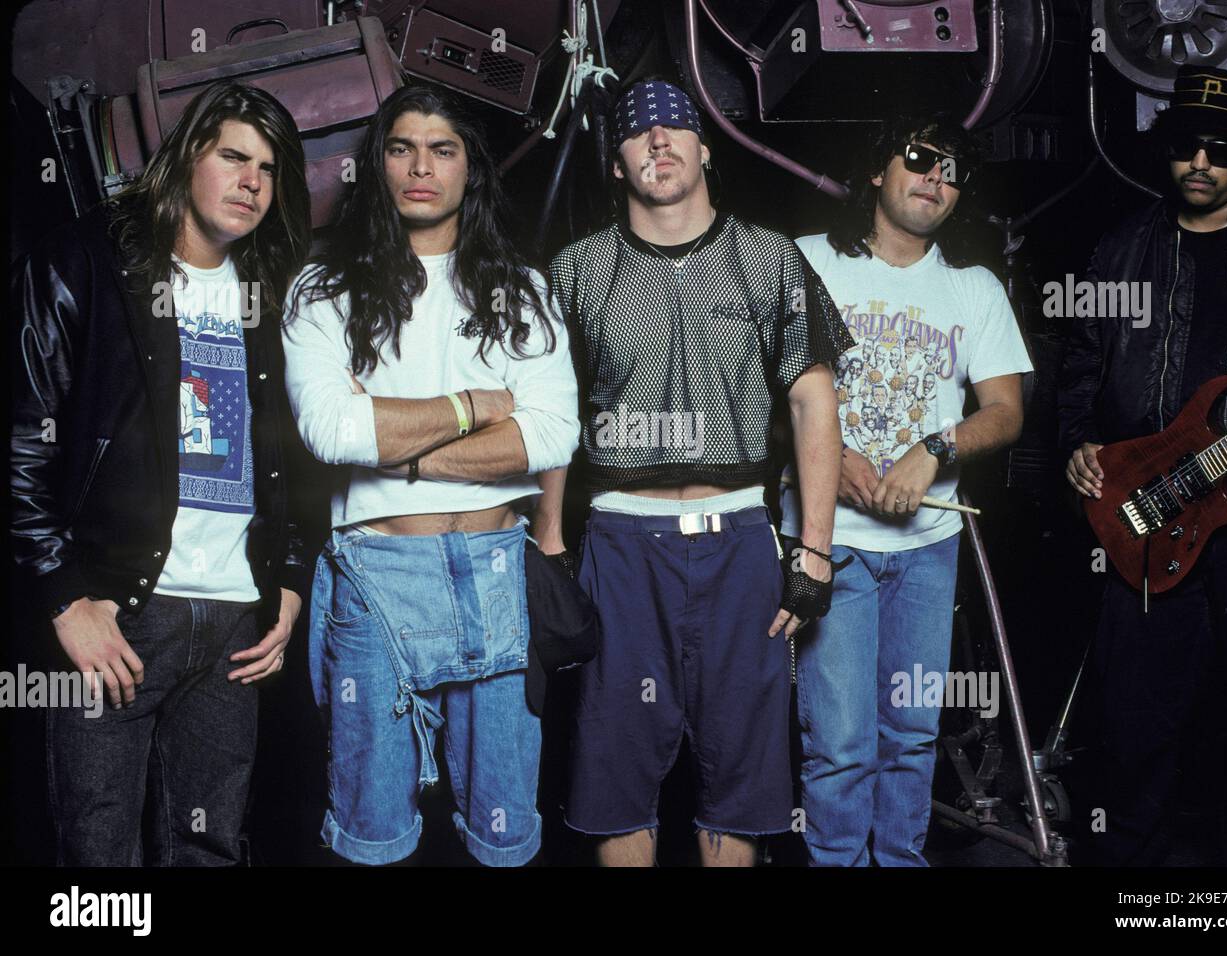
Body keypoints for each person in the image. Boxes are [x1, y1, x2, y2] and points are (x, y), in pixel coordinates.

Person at [547, 78, 855, 867]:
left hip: (740, 538)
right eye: (637, 130)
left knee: (741, 785)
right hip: (620, 541)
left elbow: (813, 400)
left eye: (675, 125)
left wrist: (814, 551)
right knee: (615, 778)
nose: (658, 140)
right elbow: (548, 413)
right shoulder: (577, 269)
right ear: (616, 162)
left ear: (705, 147)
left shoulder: (769, 257)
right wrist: (549, 545)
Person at [10, 81, 313, 865]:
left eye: (269, 169)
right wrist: (63, 595)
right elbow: (19, 444)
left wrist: (287, 579)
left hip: (235, 626)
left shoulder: (272, 289)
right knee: (99, 856)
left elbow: (295, 453)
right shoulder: (84, 260)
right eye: (234, 158)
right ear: (186, 157)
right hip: (118, 613)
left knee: (211, 848)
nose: (251, 182)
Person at [282, 85, 579, 867]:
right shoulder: (323, 289)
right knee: (371, 830)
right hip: (376, 574)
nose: (421, 167)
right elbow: (330, 431)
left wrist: (396, 444)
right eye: (402, 148)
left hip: (496, 570)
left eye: (442, 150)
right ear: (377, 165)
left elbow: (551, 434)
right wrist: (475, 407)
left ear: (469, 169)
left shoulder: (521, 289)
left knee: (502, 834)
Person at [1058, 66, 1227, 865]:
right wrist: (1077, 443)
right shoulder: (1120, 247)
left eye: (1221, 150)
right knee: (1134, 730)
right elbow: (1080, 370)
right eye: (1187, 146)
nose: (1200, 162)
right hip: (1148, 513)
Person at [783, 114, 1032, 865]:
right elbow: (753, 388)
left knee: (913, 735)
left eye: (953, 171)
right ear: (877, 169)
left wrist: (936, 448)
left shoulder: (974, 288)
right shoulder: (806, 260)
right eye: (921, 157)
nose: (934, 178)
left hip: (928, 548)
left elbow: (1006, 412)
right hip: (830, 543)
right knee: (841, 744)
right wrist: (833, 460)